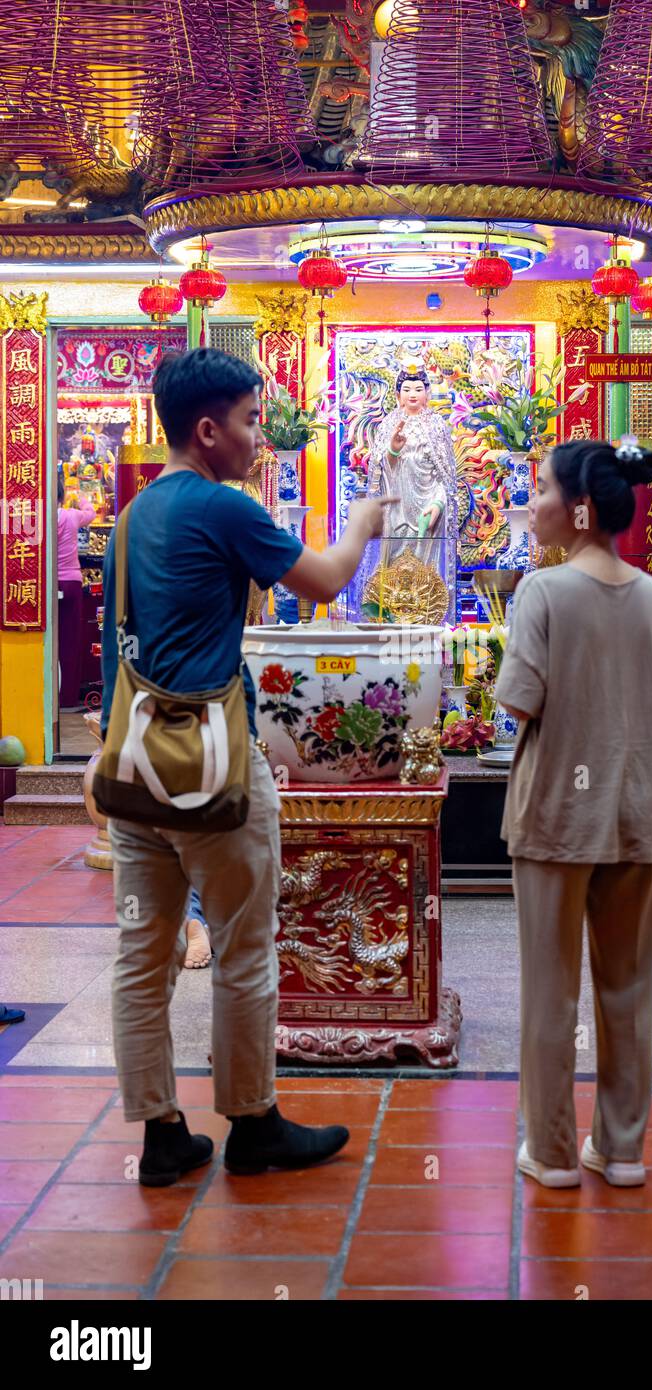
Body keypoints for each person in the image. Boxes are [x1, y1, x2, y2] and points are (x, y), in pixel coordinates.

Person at [100, 348, 394, 1187]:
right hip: (214, 775)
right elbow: (327, 582)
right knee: (243, 946)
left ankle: (160, 1131)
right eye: (252, 421)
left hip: (135, 769)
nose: (261, 438)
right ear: (207, 430)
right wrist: (363, 524)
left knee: (142, 950)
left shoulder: (132, 516)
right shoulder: (223, 508)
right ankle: (253, 1122)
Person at [495, 438, 652, 1190]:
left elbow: (518, 702)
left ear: (578, 508)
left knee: (550, 991)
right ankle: (621, 1149)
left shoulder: (542, 593)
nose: (533, 500)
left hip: (554, 819)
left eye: (541, 489)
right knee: (629, 987)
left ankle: (549, 1152)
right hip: (638, 812)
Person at [365, 368, 457, 622]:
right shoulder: (388, 425)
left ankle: (426, 617)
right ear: (398, 395)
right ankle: (391, 618)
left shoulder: (437, 426)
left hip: (427, 508)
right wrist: (393, 452)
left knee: (423, 566)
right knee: (394, 565)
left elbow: (445, 477)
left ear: (427, 393)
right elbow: (380, 471)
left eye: (418, 389)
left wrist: (438, 504)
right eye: (407, 389)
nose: (413, 394)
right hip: (396, 508)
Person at [57, 470, 96, 709]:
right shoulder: (71, 516)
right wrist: (80, 495)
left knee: (49, 639)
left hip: (49, 583)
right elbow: (91, 513)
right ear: (62, 496)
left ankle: (49, 693)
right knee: (70, 641)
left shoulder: (39, 516)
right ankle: (67, 697)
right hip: (71, 582)